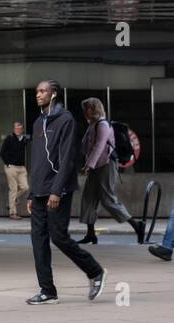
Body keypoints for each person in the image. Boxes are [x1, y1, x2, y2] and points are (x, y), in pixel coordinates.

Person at [26, 80, 106, 305]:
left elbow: (68, 159)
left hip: (57, 190)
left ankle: (95, 271)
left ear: (54, 95)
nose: (38, 95)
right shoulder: (38, 122)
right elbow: (38, 161)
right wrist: (33, 193)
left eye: (42, 91)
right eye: (36, 91)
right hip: (40, 190)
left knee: (59, 237)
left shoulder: (66, 120)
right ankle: (47, 291)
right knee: (37, 240)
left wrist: (57, 191)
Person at [77, 98, 143, 245]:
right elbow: (86, 146)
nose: (84, 112)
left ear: (94, 109)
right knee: (88, 199)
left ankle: (137, 226)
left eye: (86, 108)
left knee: (108, 199)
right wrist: (88, 164)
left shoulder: (103, 124)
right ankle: (91, 234)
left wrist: (89, 165)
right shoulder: (92, 125)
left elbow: (99, 147)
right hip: (95, 166)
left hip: (106, 165)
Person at [0, 122, 29, 219]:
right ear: (14, 129)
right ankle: (13, 213)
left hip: (22, 168)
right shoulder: (9, 138)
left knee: (25, 187)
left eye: (20, 128)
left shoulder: (24, 139)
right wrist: (7, 163)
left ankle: (12, 200)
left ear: (22, 130)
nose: (18, 130)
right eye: (16, 128)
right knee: (13, 189)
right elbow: (2, 152)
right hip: (11, 167)